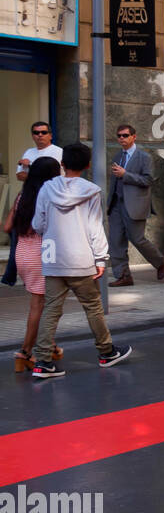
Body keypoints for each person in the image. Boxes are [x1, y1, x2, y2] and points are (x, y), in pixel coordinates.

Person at [29, 142, 131, 378]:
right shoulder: (92, 191)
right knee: (93, 307)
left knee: (51, 309)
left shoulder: (47, 188)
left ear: (62, 164)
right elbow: (95, 227)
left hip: (53, 256)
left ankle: (42, 361)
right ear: (87, 165)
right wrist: (101, 258)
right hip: (81, 258)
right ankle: (106, 352)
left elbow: (38, 223)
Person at [5, 156, 62, 371]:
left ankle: (52, 346)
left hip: (22, 253)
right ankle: (25, 352)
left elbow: (7, 226)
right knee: (40, 306)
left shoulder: (22, 196)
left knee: (46, 303)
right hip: (42, 253)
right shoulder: (49, 195)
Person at [105, 123, 164, 287]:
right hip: (116, 204)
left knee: (137, 239)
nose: (121, 139)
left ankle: (160, 261)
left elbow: (148, 180)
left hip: (135, 204)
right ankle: (123, 275)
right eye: (119, 136)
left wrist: (126, 175)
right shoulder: (117, 156)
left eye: (125, 135)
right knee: (115, 241)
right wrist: (109, 203)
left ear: (134, 136)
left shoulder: (144, 157)